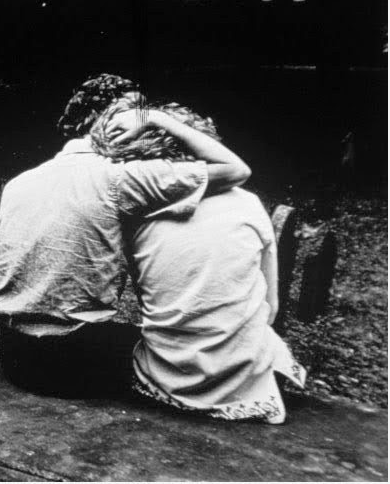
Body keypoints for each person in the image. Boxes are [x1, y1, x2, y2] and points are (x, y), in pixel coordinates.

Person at [0, 79, 251, 397]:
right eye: (136, 114)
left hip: (12, 352)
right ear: (108, 122)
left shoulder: (19, 182)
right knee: (194, 359)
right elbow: (235, 169)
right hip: (71, 357)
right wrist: (160, 119)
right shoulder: (121, 178)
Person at [98, 98, 306, 424]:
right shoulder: (249, 204)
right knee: (270, 346)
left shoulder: (138, 214)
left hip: (168, 380)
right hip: (243, 379)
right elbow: (272, 308)